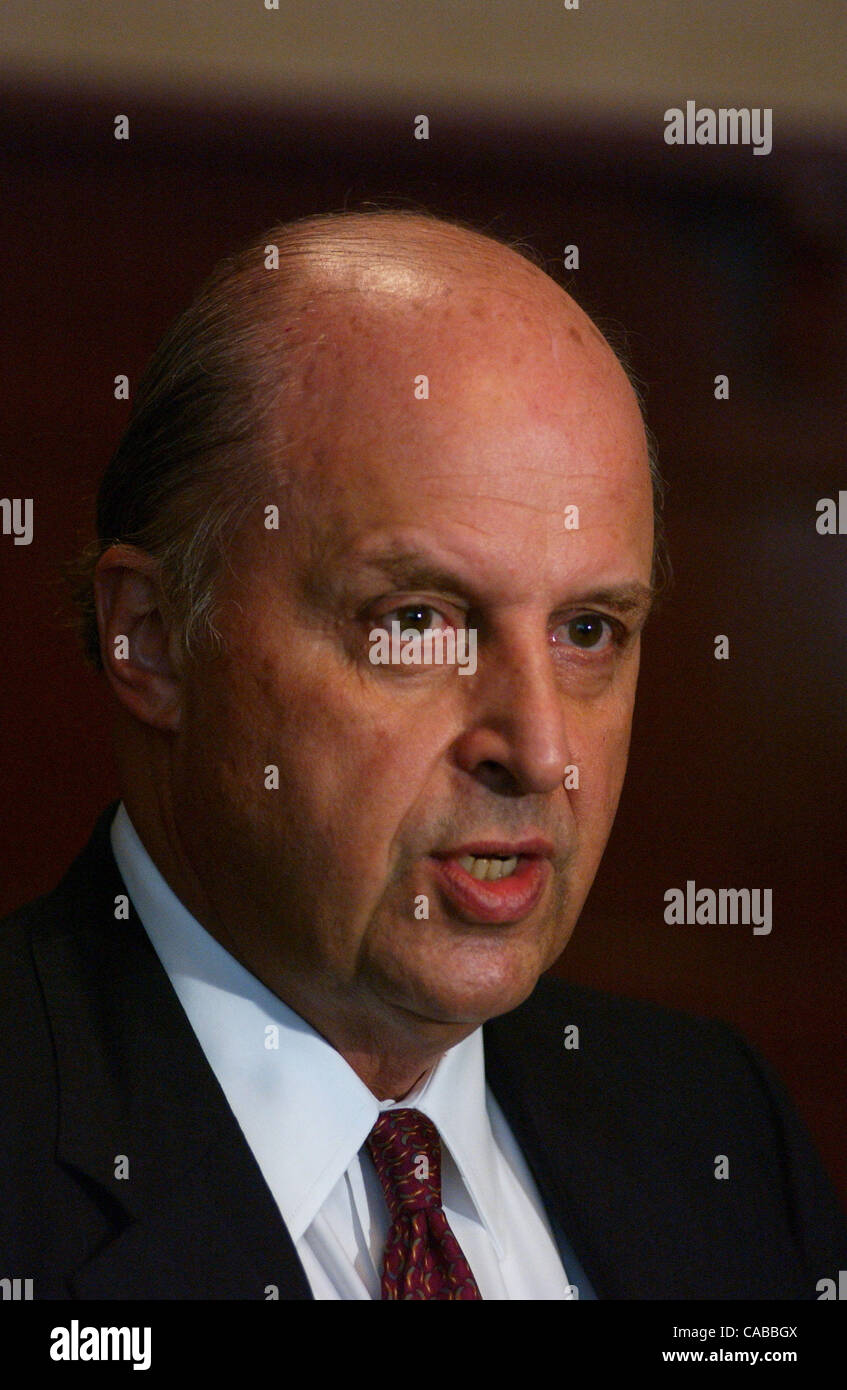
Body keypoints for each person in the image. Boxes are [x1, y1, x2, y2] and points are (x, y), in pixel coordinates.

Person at [1, 210, 844, 1300]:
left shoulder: (715, 1129)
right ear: (154, 639)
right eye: (417, 623)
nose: (539, 750)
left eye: (588, 630)